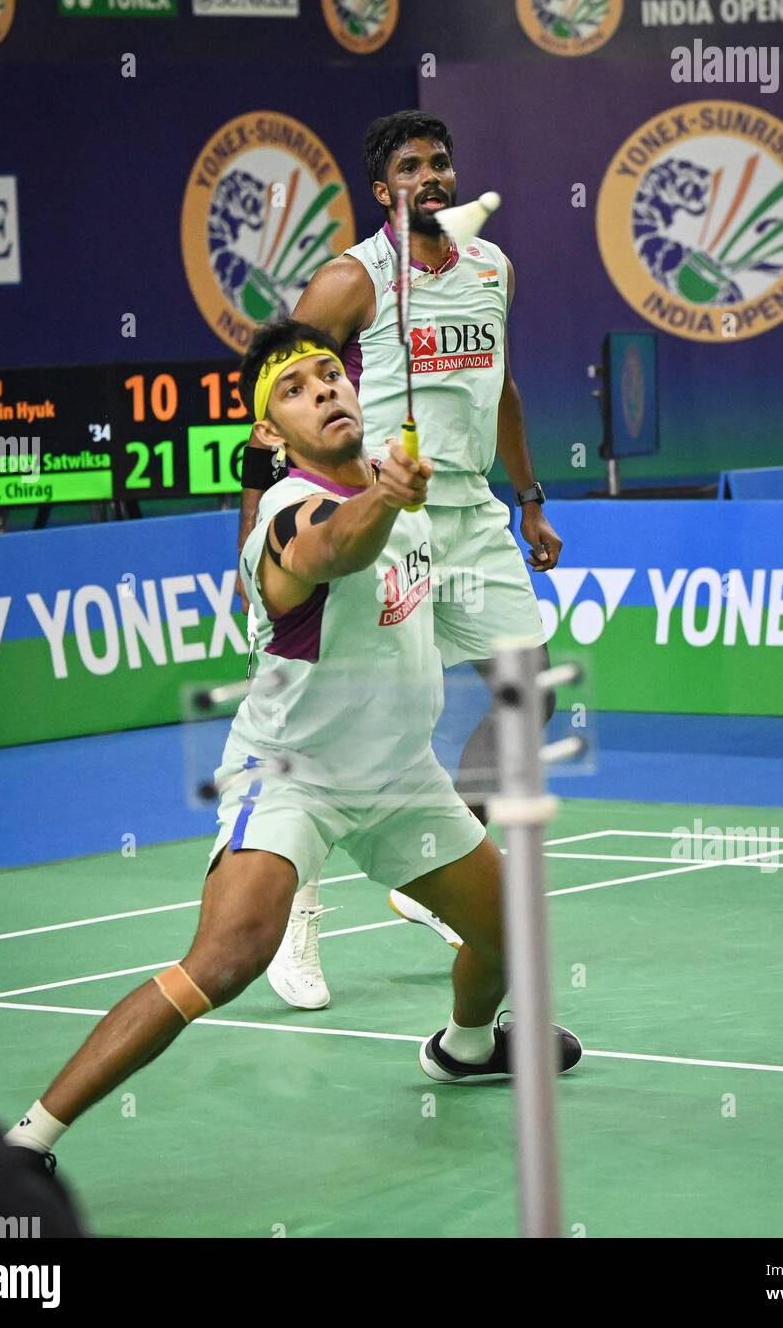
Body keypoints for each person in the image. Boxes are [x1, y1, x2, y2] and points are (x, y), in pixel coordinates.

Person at [4, 321, 581, 1173]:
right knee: (231, 955)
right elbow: (329, 546)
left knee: (510, 933)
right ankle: (27, 1142)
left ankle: (465, 1048)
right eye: (296, 390)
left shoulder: (402, 499)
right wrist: (387, 497)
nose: (324, 391)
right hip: (290, 778)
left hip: (396, 777)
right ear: (270, 433)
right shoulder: (286, 516)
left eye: (330, 376)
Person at [238, 110, 562, 1009]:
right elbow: (276, 395)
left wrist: (530, 497)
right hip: (375, 517)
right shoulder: (353, 279)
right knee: (348, 719)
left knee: (525, 690)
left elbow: (502, 387)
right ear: (383, 190)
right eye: (410, 168)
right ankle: (297, 912)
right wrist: (261, 525)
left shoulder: (493, 268)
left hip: (472, 512)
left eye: (442, 163)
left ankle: (440, 858)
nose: (432, 177)